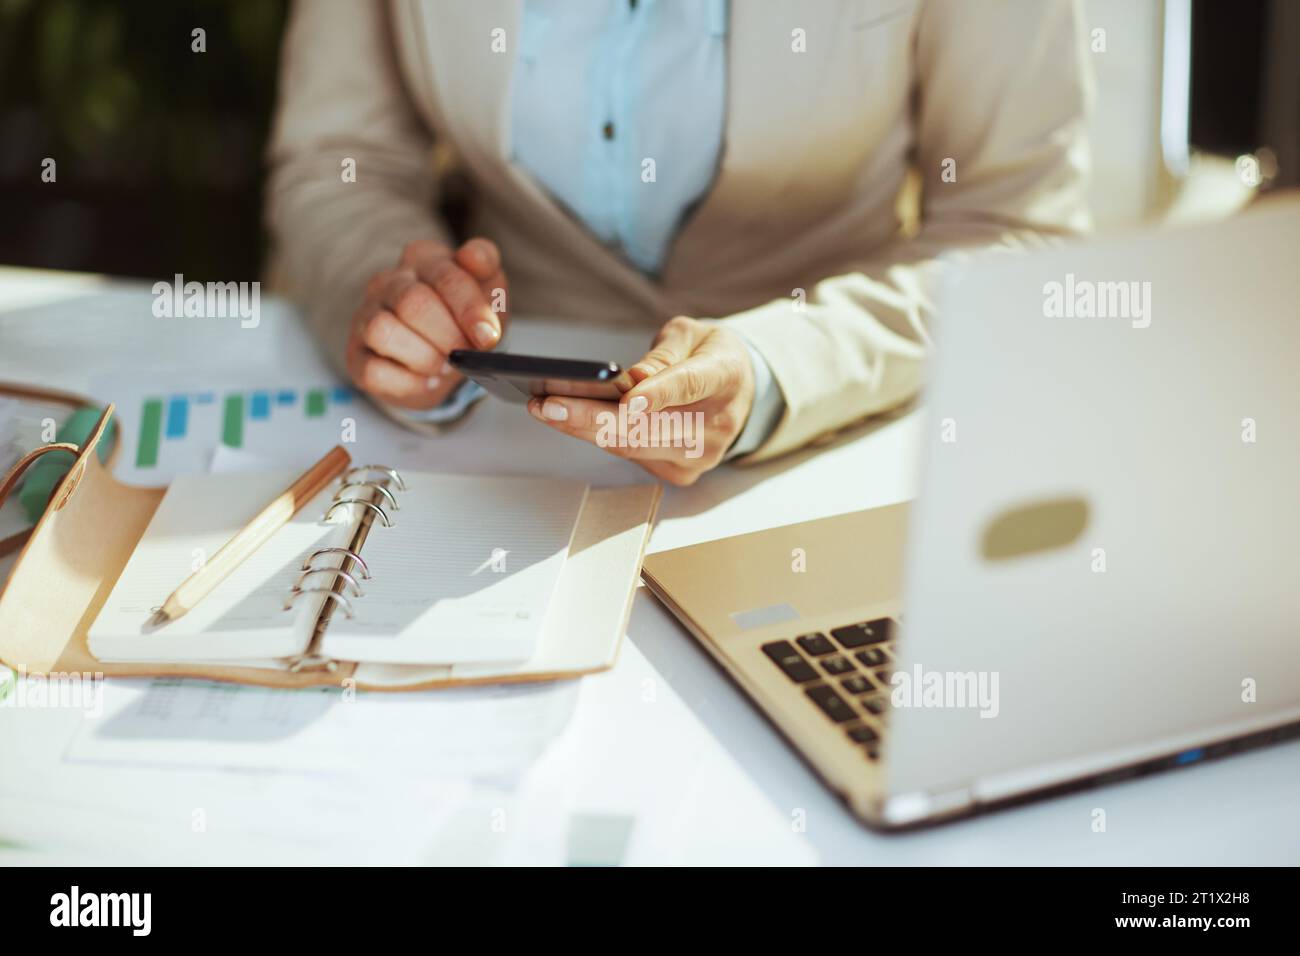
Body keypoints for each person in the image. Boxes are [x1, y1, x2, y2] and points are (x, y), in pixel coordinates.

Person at [266, 0, 1091, 485]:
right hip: (489, 450)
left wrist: (777, 370)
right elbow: (343, 160)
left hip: (822, 456)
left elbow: (1015, 224)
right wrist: (402, 302)